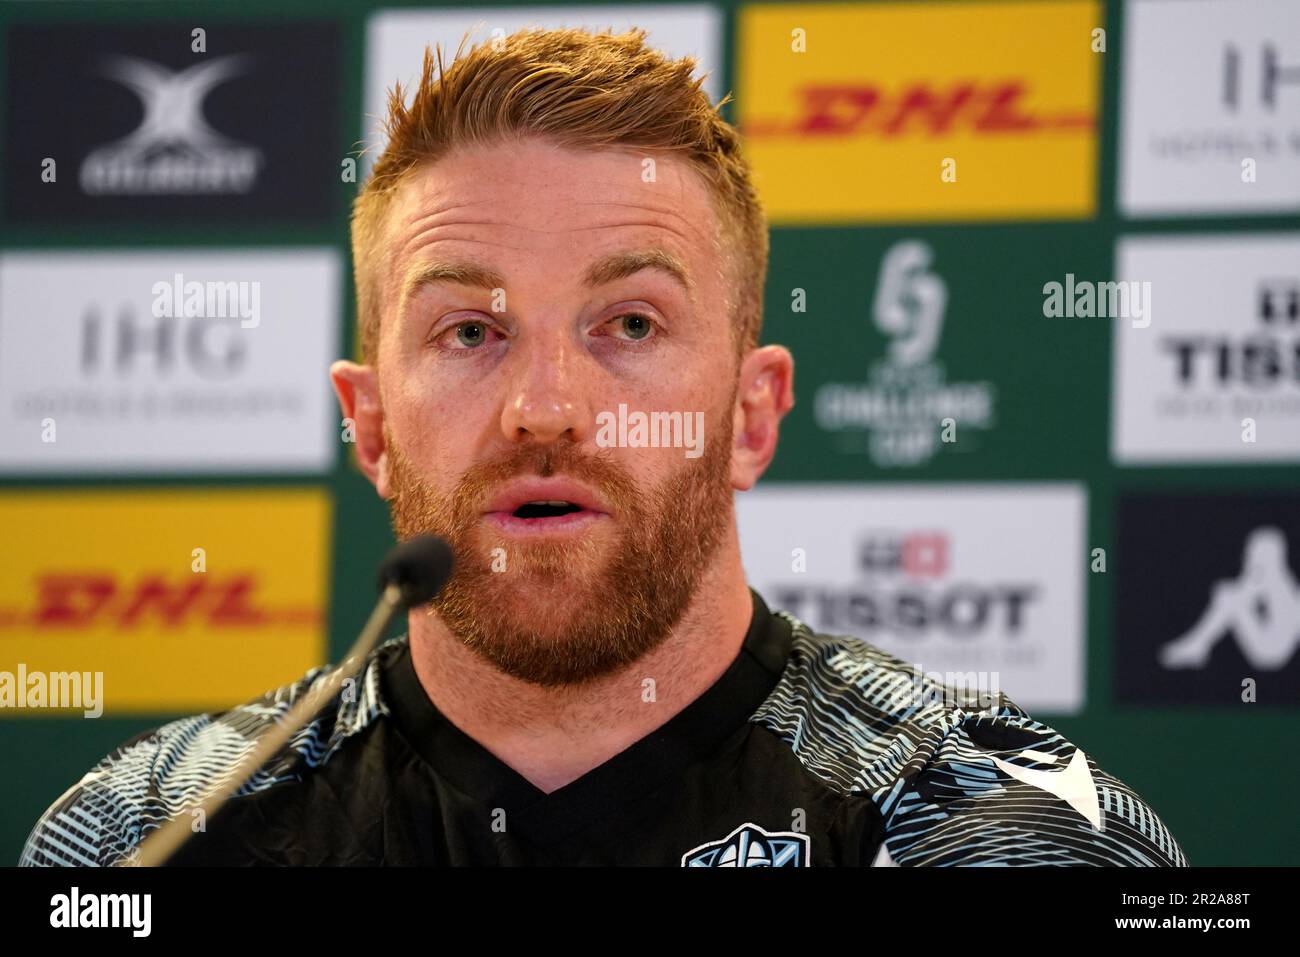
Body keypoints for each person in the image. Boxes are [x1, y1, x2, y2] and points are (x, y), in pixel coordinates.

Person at [20, 26, 1186, 867]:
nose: (545, 406)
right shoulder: (141, 845)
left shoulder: (998, 834)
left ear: (750, 415)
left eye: (628, 324)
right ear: (369, 424)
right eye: (469, 330)